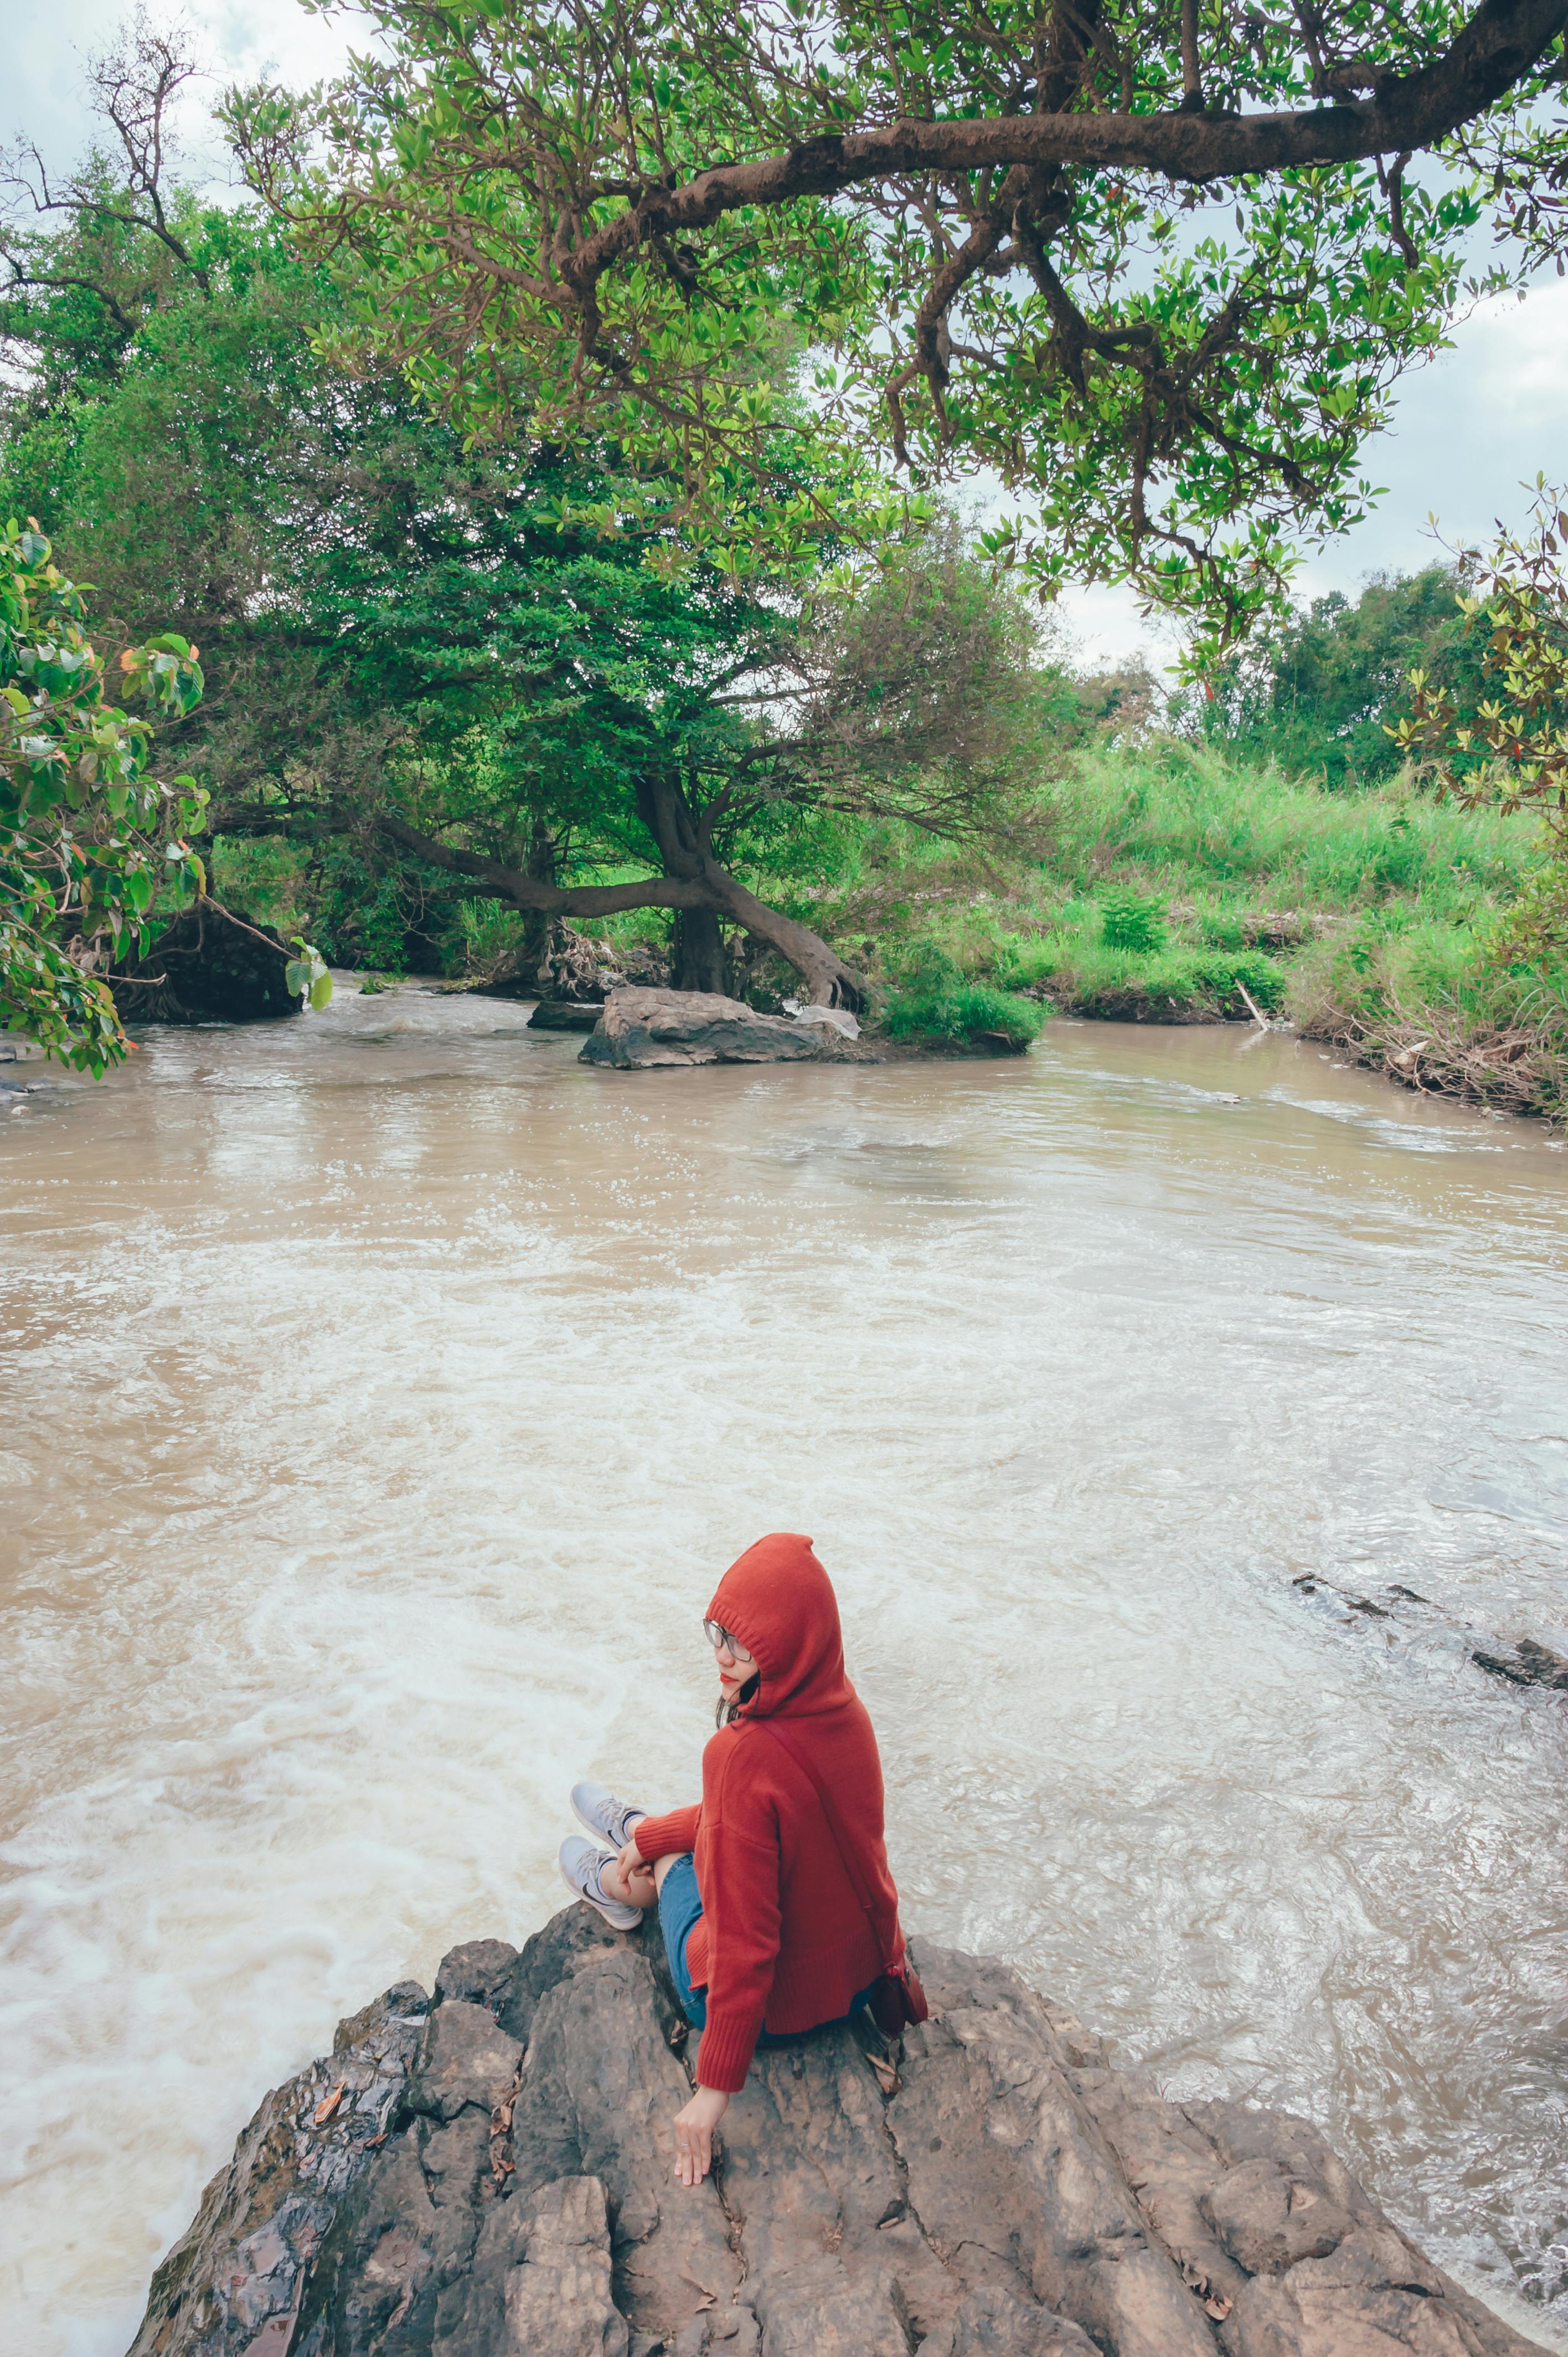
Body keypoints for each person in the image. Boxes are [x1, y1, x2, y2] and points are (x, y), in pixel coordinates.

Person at [558, 1530, 921, 2188]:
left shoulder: (739, 1756)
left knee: (676, 1869)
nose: (721, 1654)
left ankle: (615, 1882)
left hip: (774, 2012)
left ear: (789, 1641)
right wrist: (665, 1827)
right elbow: (759, 1824)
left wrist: (714, 2086)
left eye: (740, 1639)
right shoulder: (848, 1713)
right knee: (694, 1835)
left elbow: (746, 1942)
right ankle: (638, 1828)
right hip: (861, 1980)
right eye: (716, 1631)